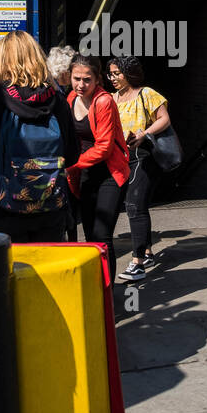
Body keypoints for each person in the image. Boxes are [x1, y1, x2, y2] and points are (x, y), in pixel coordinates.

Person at [0, 31, 78, 244]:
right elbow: (72, 154)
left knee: (12, 274)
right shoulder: (58, 101)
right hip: (51, 210)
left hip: (4, 211)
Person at [108, 55, 171, 281]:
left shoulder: (146, 93)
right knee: (138, 205)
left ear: (129, 73)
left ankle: (138, 263)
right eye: (111, 74)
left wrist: (144, 133)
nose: (113, 78)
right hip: (120, 157)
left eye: (117, 73)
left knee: (134, 205)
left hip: (142, 156)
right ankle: (147, 251)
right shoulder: (112, 98)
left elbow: (164, 119)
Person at [67, 54, 129, 268]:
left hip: (109, 174)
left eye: (87, 79)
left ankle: (109, 296)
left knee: (102, 237)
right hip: (84, 174)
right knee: (90, 237)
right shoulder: (70, 99)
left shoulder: (104, 101)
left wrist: (71, 165)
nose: (81, 84)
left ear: (97, 79)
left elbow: (103, 147)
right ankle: (96, 290)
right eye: (76, 78)